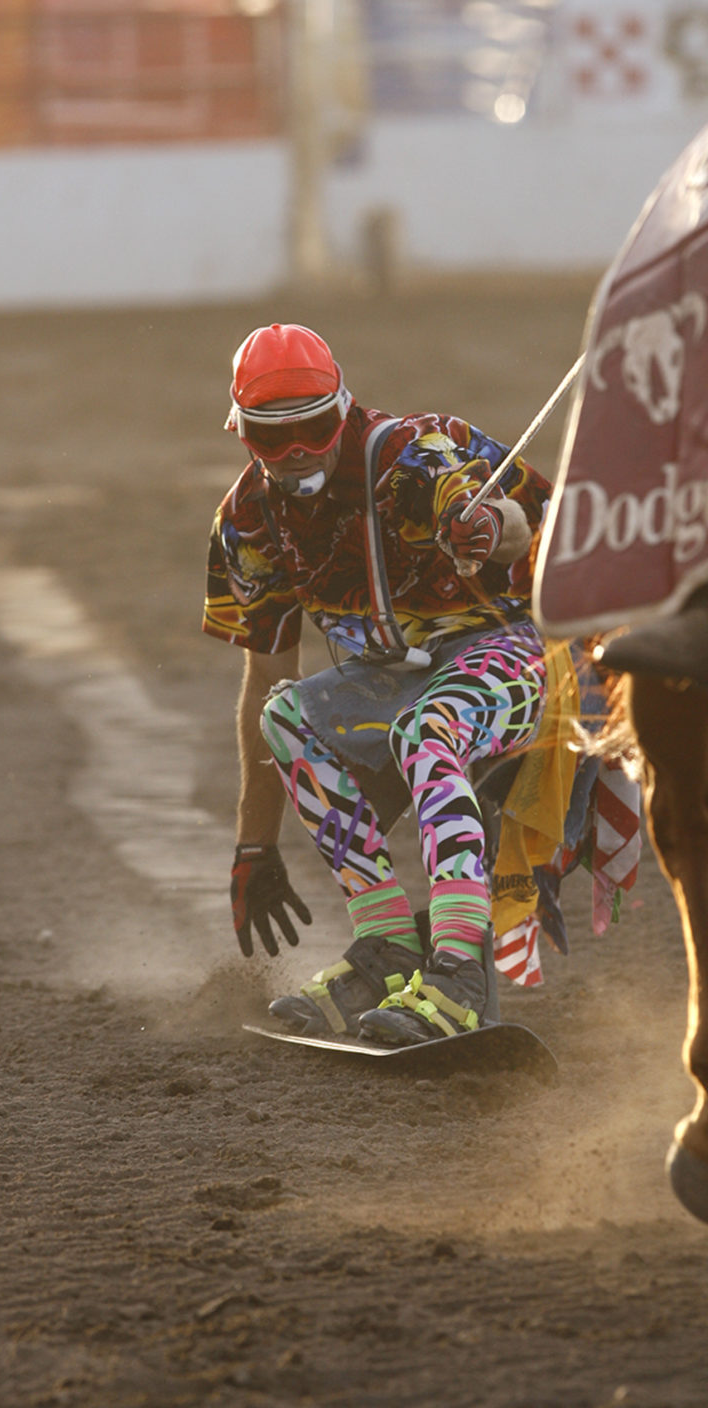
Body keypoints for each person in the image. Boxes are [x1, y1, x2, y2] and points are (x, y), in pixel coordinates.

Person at [203, 322, 569, 1045]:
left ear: (343, 408)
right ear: (245, 437)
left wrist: (487, 529)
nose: (300, 453)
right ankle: (387, 948)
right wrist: (254, 847)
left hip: (520, 653)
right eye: (276, 441)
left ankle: (460, 971)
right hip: (399, 676)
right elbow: (265, 678)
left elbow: (519, 524)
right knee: (286, 718)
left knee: (426, 729)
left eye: (314, 429)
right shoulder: (247, 521)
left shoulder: (415, 457)